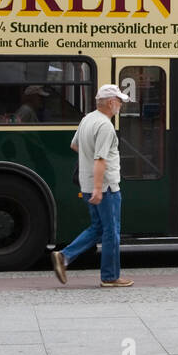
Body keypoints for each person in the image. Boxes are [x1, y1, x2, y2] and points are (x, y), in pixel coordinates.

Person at [51, 83, 135, 288]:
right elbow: (100, 159)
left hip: (86, 183)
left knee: (99, 227)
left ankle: (64, 256)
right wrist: (99, 188)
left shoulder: (87, 119)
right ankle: (110, 276)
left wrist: (92, 180)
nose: (121, 106)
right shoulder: (105, 126)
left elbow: (74, 145)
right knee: (111, 231)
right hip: (106, 187)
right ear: (110, 102)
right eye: (119, 102)